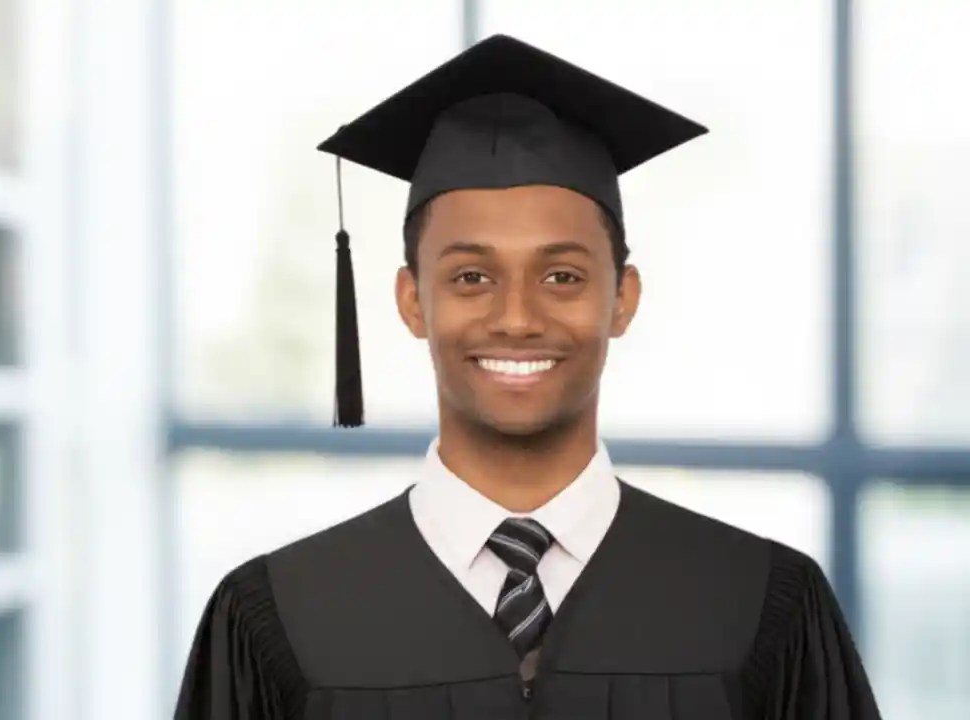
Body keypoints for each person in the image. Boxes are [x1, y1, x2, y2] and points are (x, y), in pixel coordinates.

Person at [174, 34, 881, 720]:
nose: (516, 318)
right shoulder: (282, 619)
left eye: (562, 276)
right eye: (471, 277)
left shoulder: (756, 607)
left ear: (623, 299)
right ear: (412, 301)